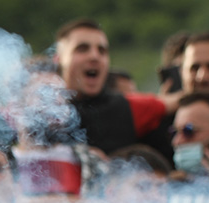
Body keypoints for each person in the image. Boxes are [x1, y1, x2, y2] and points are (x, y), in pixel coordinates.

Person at [52, 18, 173, 158]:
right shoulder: (41, 113)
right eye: (82, 49)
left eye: (102, 51)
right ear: (58, 60)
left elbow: (179, 101)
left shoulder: (127, 107)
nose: (94, 56)